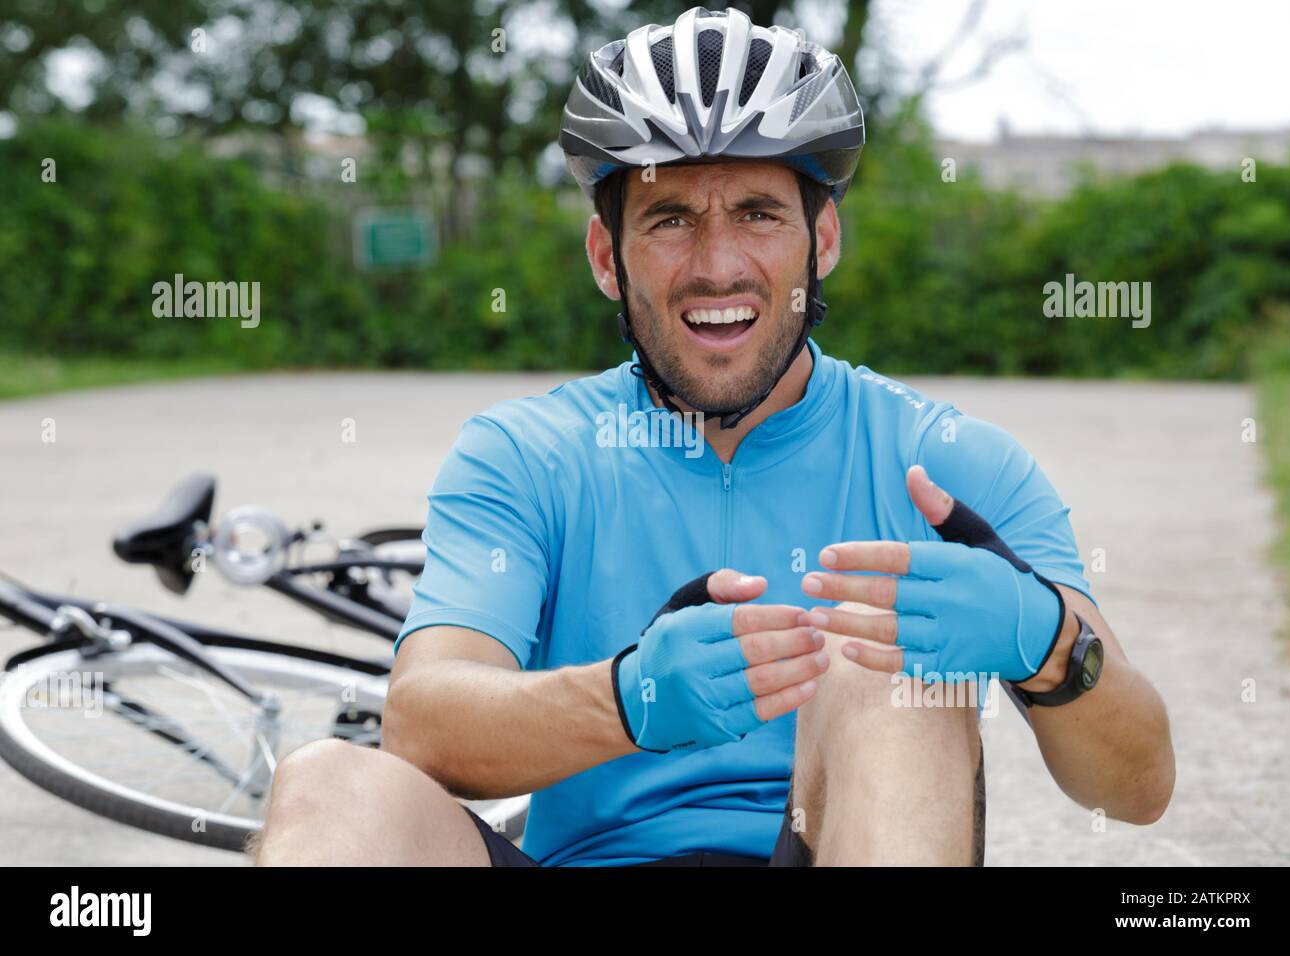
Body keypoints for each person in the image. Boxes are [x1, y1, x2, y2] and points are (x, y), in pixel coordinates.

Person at [255, 6, 1174, 867]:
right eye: (670, 219)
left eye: (759, 214)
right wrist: (625, 698)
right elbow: (423, 723)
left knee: (887, 682)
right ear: (608, 258)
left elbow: (1136, 787)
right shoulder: (524, 454)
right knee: (328, 785)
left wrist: (1046, 638)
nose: (718, 265)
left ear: (822, 243)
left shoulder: (953, 460)